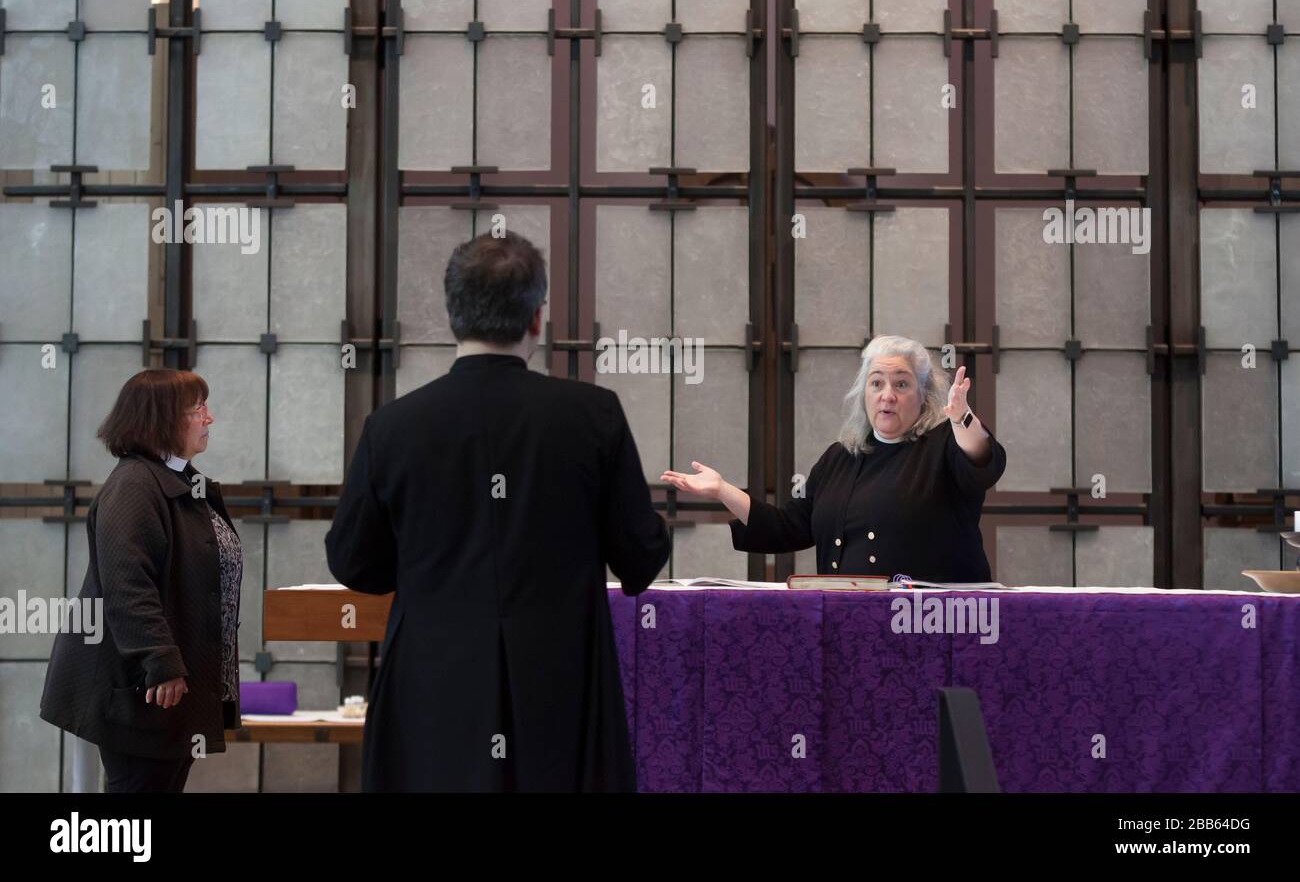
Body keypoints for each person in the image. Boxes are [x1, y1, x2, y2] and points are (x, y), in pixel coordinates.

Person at [326, 229, 669, 791]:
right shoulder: (592, 416)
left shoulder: (393, 427)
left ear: (452, 314)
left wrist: (423, 573)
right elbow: (640, 559)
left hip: (431, 683)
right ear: (537, 317)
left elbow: (351, 561)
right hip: (562, 681)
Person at [662, 334, 1007, 582]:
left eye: (901, 385)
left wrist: (962, 418)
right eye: (876, 384)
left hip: (930, 627)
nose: (887, 395)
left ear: (923, 395)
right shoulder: (839, 459)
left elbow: (981, 464)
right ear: (863, 395)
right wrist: (723, 490)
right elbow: (787, 528)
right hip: (848, 623)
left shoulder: (943, 443)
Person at [40, 369, 242, 792]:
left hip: (175, 686)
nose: (209, 419)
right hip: (144, 685)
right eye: (198, 409)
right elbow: (127, 584)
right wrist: (160, 660)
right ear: (162, 418)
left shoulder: (179, 479)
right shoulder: (134, 484)